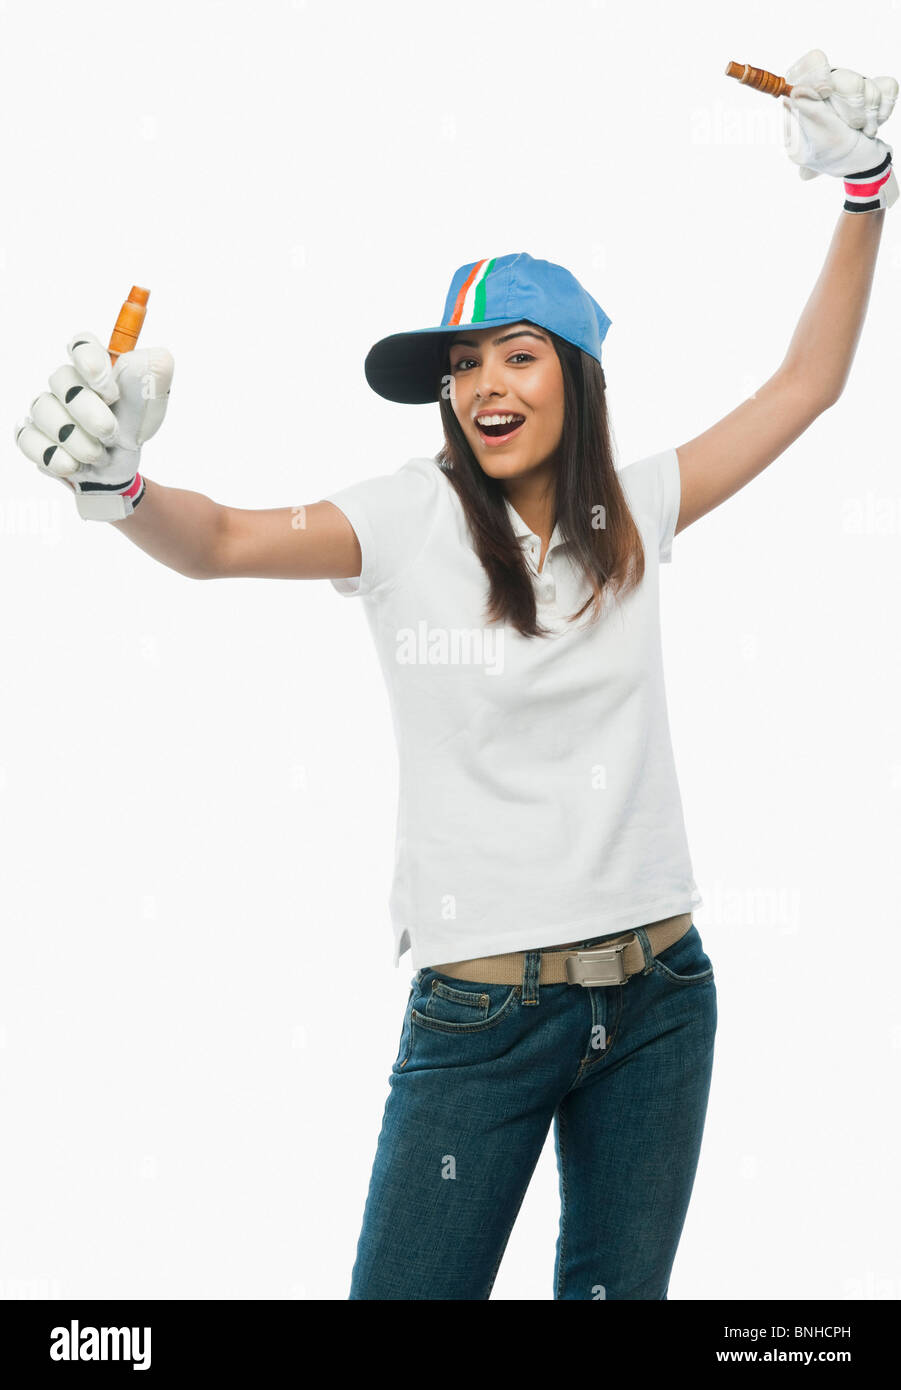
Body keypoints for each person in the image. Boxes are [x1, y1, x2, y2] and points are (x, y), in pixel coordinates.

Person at [13, 49, 896, 1299]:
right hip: (483, 1021)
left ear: (578, 378)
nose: (483, 382)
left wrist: (865, 190)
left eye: (517, 354)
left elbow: (808, 385)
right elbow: (214, 543)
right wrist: (119, 490)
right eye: (464, 364)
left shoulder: (635, 508)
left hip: (660, 1001)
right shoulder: (404, 523)